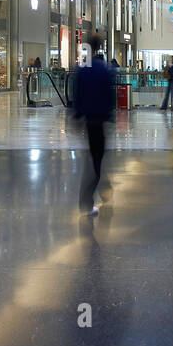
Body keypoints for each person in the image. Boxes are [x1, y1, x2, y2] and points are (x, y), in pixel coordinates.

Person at [73, 34, 115, 216]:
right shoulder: (103, 69)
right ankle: (87, 200)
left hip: (88, 120)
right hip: (99, 119)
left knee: (94, 157)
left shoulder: (83, 69)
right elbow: (109, 95)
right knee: (96, 161)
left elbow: (77, 94)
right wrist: (110, 115)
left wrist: (78, 115)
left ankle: (103, 189)